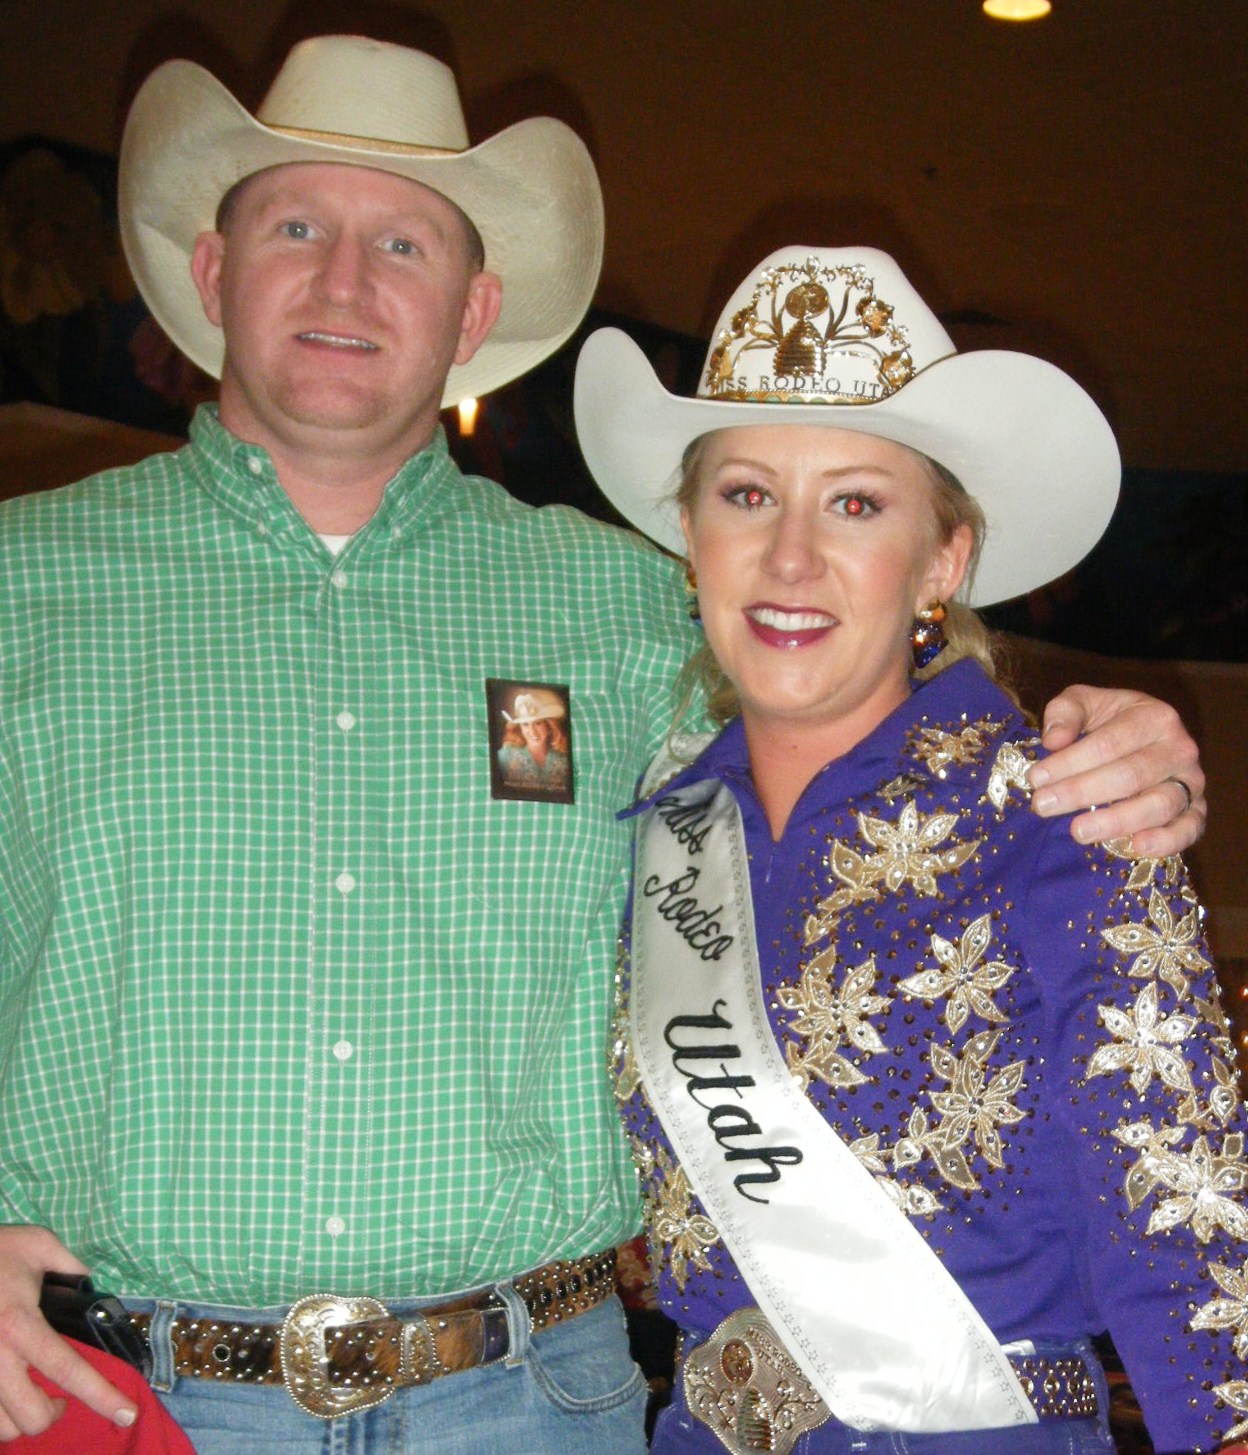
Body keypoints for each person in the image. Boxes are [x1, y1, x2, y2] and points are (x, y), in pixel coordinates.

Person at [0, 37, 1207, 1454]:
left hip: (532, 1398)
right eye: (296, 227)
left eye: (403, 242)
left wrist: (1110, 744)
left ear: (474, 309)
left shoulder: (637, 607)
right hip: (131, 1397)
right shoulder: (23, 583)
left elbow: (868, 768)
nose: (344, 283)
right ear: (213, 277)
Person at [574, 246, 1247, 1454]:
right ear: (689, 538)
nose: (790, 556)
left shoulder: (1065, 810)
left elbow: (1184, 1208)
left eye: (855, 502)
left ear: (942, 560)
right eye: (744, 495)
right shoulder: (662, 827)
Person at [497, 691, 572, 794]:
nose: (532, 731)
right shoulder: (505, 756)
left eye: (538, 723)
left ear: (549, 727)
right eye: (525, 724)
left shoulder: (565, 760)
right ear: (521, 729)